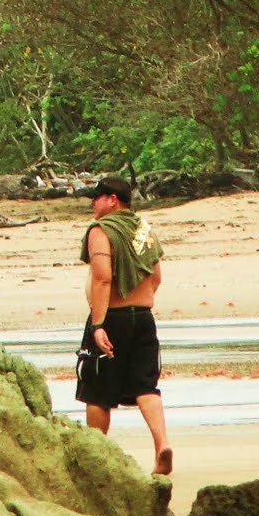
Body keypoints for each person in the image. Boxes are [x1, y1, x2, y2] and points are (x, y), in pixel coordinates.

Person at [75, 176, 172, 476]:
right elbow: (155, 277)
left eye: (97, 197)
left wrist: (99, 324)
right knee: (146, 386)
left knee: (96, 390)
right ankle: (162, 446)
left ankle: (96, 455)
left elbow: (103, 277)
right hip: (144, 317)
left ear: (112, 200)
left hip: (111, 319)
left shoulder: (101, 231)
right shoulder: (143, 231)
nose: (92, 203)